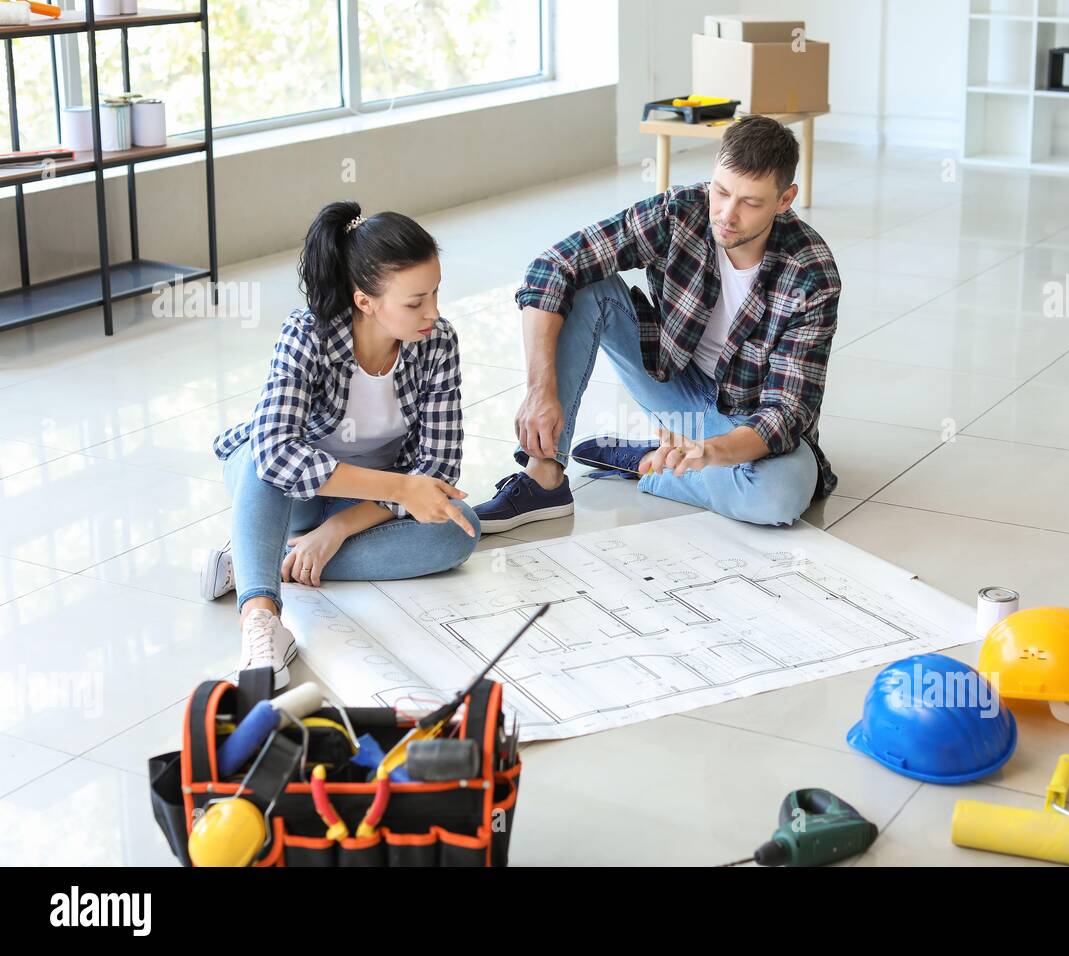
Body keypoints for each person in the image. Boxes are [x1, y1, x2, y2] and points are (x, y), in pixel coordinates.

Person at [473, 114, 841, 534]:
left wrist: (710, 452)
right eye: (720, 191)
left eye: (750, 202)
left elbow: (787, 411)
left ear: (784, 199)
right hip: (674, 386)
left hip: (744, 422)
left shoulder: (811, 274)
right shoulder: (679, 212)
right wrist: (540, 391)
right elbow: (552, 266)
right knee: (586, 287)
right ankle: (544, 477)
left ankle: (655, 462)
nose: (726, 213)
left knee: (778, 497)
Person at [203, 201, 480, 688]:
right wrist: (401, 488)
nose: (432, 314)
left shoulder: (438, 343)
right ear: (365, 301)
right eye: (415, 302)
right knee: (261, 463)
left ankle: (257, 558)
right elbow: (275, 453)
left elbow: (438, 467)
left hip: (357, 504)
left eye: (435, 294)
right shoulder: (308, 332)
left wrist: (340, 528)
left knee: (459, 530)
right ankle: (261, 616)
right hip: (287, 494)